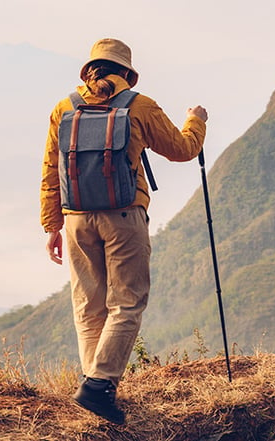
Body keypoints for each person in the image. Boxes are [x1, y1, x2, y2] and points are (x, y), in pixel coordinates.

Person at [40, 38, 207, 424]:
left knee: (89, 306)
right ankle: (98, 387)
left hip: (76, 217)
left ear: (89, 71)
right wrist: (196, 120)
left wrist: (52, 225)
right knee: (127, 302)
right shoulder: (140, 105)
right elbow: (183, 149)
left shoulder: (64, 108)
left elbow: (51, 170)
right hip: (124, 216)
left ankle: (94, 384)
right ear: (126, 74)